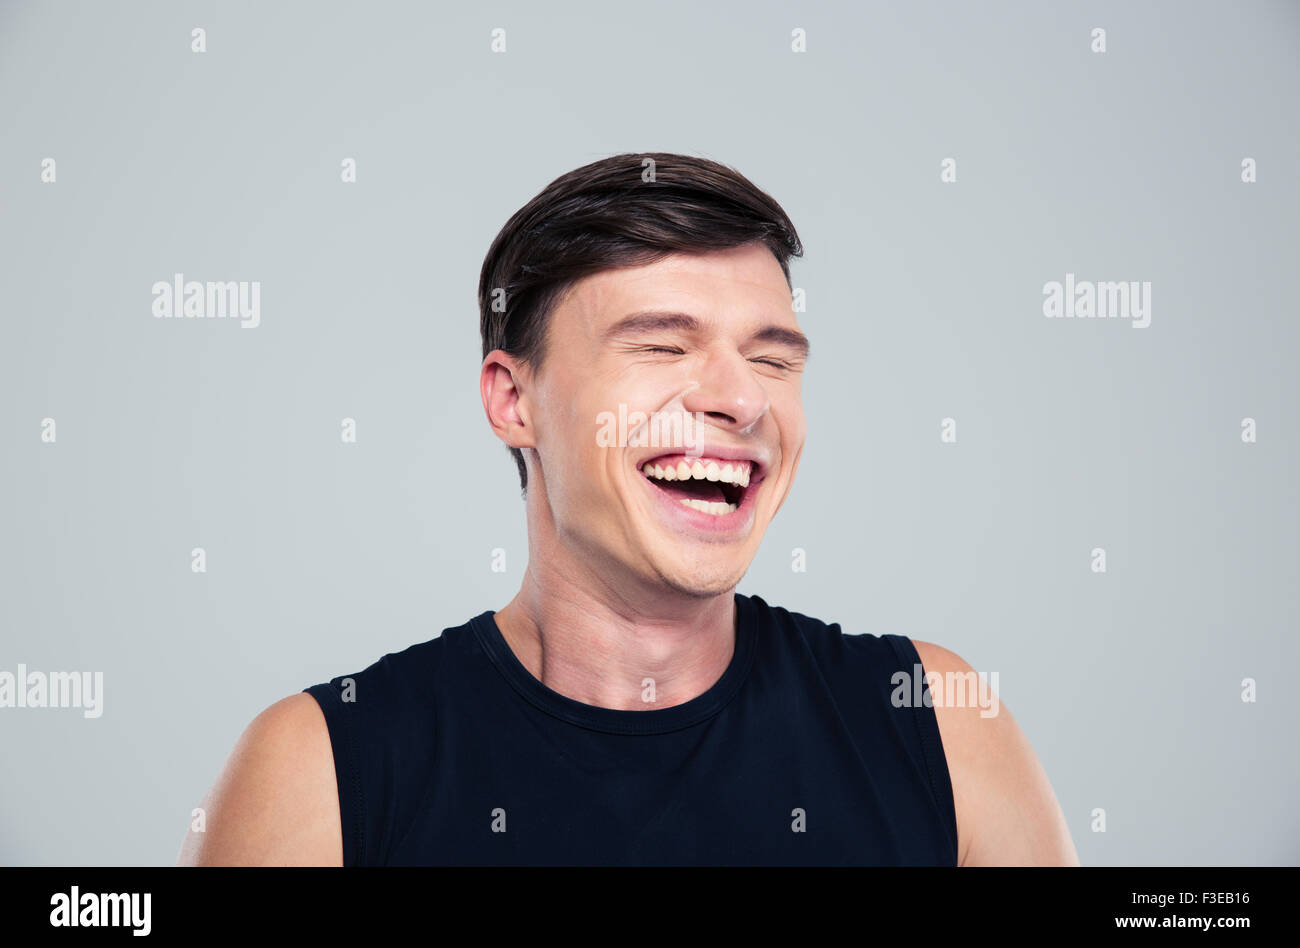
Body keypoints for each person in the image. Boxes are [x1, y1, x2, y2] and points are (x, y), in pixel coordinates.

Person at [179, 153, 1078, 866]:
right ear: (512, 401)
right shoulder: (321, 769)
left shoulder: (939, 722)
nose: (741, 399)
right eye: (660, 344)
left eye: (773, 359)